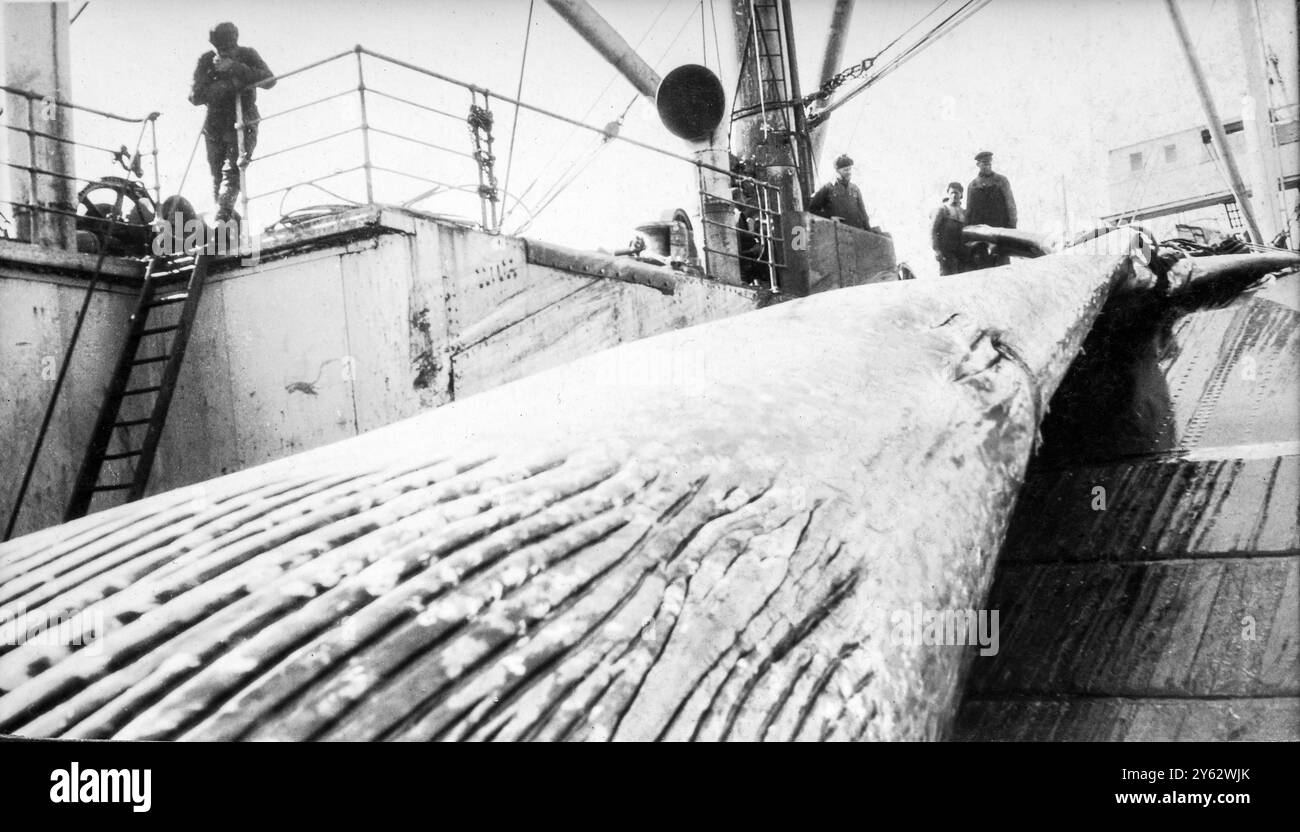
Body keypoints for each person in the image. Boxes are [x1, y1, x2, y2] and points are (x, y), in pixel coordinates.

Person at [189, 22, 275, 221]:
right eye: (220, 46)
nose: (224, 50)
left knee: (233, 169)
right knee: (217, 175)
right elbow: (195, 95)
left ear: (235, 40)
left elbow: (270, 79)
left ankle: (221, 217)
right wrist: (222, 85)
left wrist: (236, 68)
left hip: (243, 118)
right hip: (216, 124)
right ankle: (221, 219)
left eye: (228, 46)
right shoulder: (207, 60)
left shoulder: (247, 54)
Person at [809, 154, 870, 231]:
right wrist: (829, 217)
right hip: (836, 234)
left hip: (856, 234)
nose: (849, 172)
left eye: (850, 169)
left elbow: (863, 215)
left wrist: (869, 230)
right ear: (837, 171)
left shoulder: (855, 189)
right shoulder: (827, 188)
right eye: (845, 170)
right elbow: (812, 210)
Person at [931, 181, 969, 275]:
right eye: (952, 192)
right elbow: (933, 230)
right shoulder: (942, 210)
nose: (954, 195)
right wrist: (936, 250)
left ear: (961, 195)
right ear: (948, 194)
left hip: (961, 252)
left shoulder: (964, 213)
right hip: (946, 252)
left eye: (957, 192)